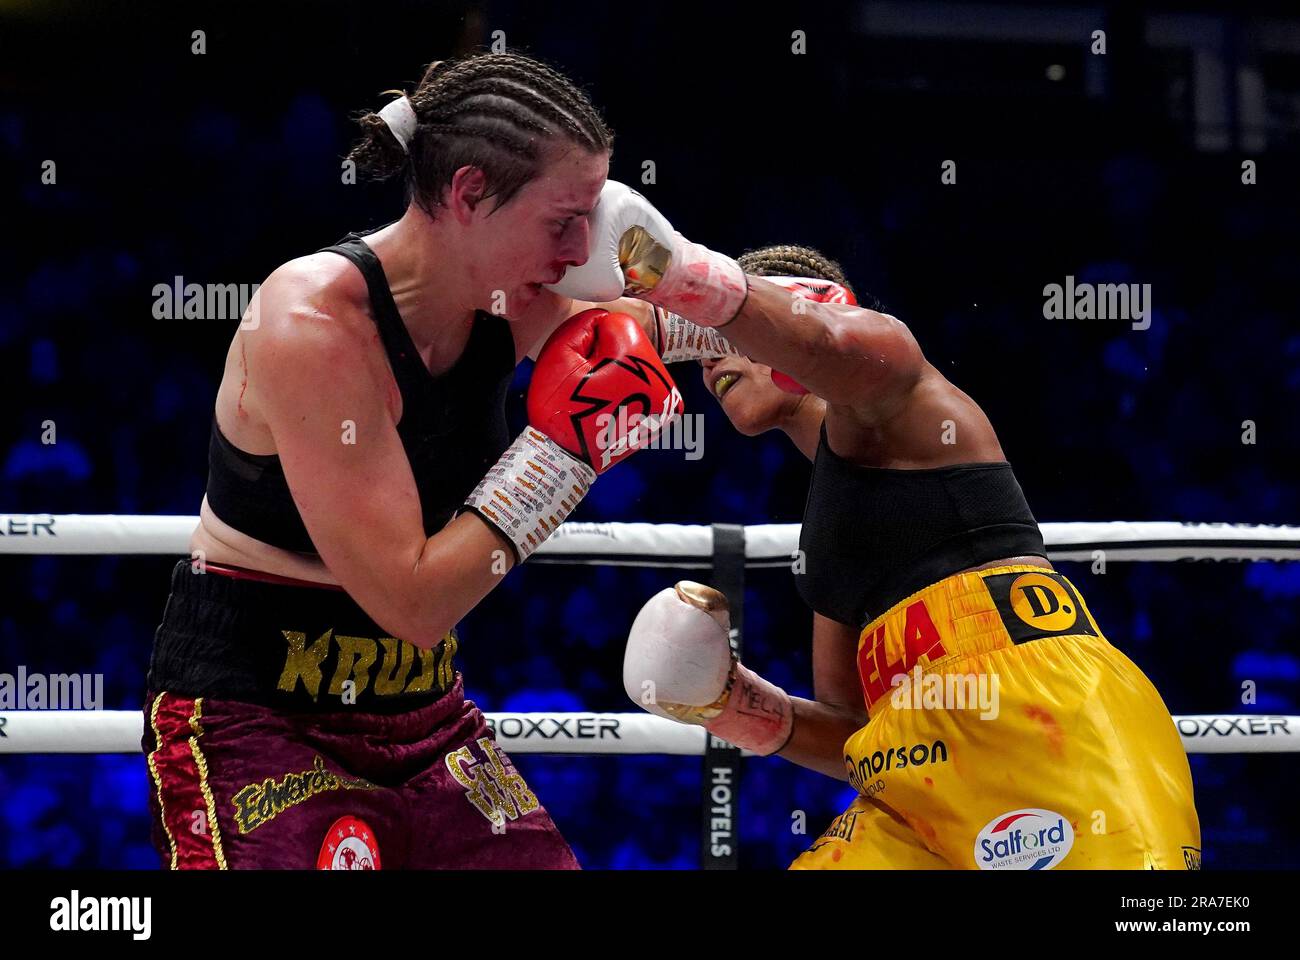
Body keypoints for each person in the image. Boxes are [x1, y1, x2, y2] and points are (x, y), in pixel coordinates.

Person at [142, 53, 687, 870]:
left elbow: (680, 324)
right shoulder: (311, 323)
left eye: (593, 216)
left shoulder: (520, 295)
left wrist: (762, 308)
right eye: (563, 219)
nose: (584, 249)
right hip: (259, 712)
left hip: (425, 710)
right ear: (468, 195)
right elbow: (415, 599)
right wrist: (566, 454)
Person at [549, 192, 1200, 869]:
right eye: (707, 343)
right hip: (915, 776)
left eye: (728, 335)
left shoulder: (898, 387)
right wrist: (728, 704)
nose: (709, 360)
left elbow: (830, 343)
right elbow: (861, 730)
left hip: (1044, 718)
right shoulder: (827, 532)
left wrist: (668, 274)